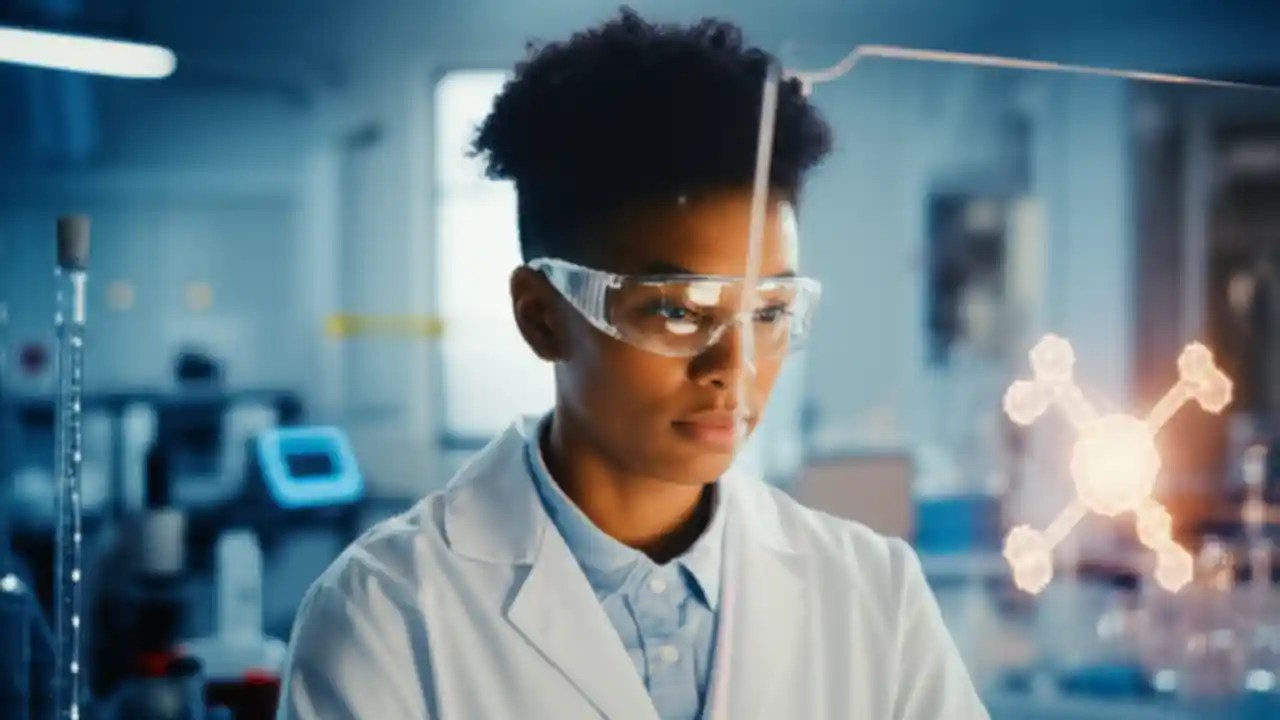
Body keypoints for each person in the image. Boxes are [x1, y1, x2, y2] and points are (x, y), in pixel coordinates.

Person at [277, 9, 989, 720]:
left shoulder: (872, 593)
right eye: (679, 310)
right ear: (544, 315)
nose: (734, 367)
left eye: (769, 313)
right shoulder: (387, 616)